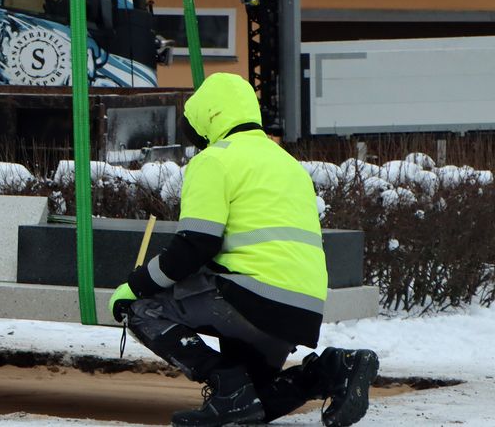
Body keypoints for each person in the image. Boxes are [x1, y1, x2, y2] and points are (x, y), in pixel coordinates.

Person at [108, 72, 378, 427]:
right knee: (254, 403)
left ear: (208, 118)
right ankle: (330, 369)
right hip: (301, 308)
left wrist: (137, 285)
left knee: (142, 310)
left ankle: (226, 383)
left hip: (250, 300)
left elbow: (195, 246)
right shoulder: (287, 164)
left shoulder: (215, 160)